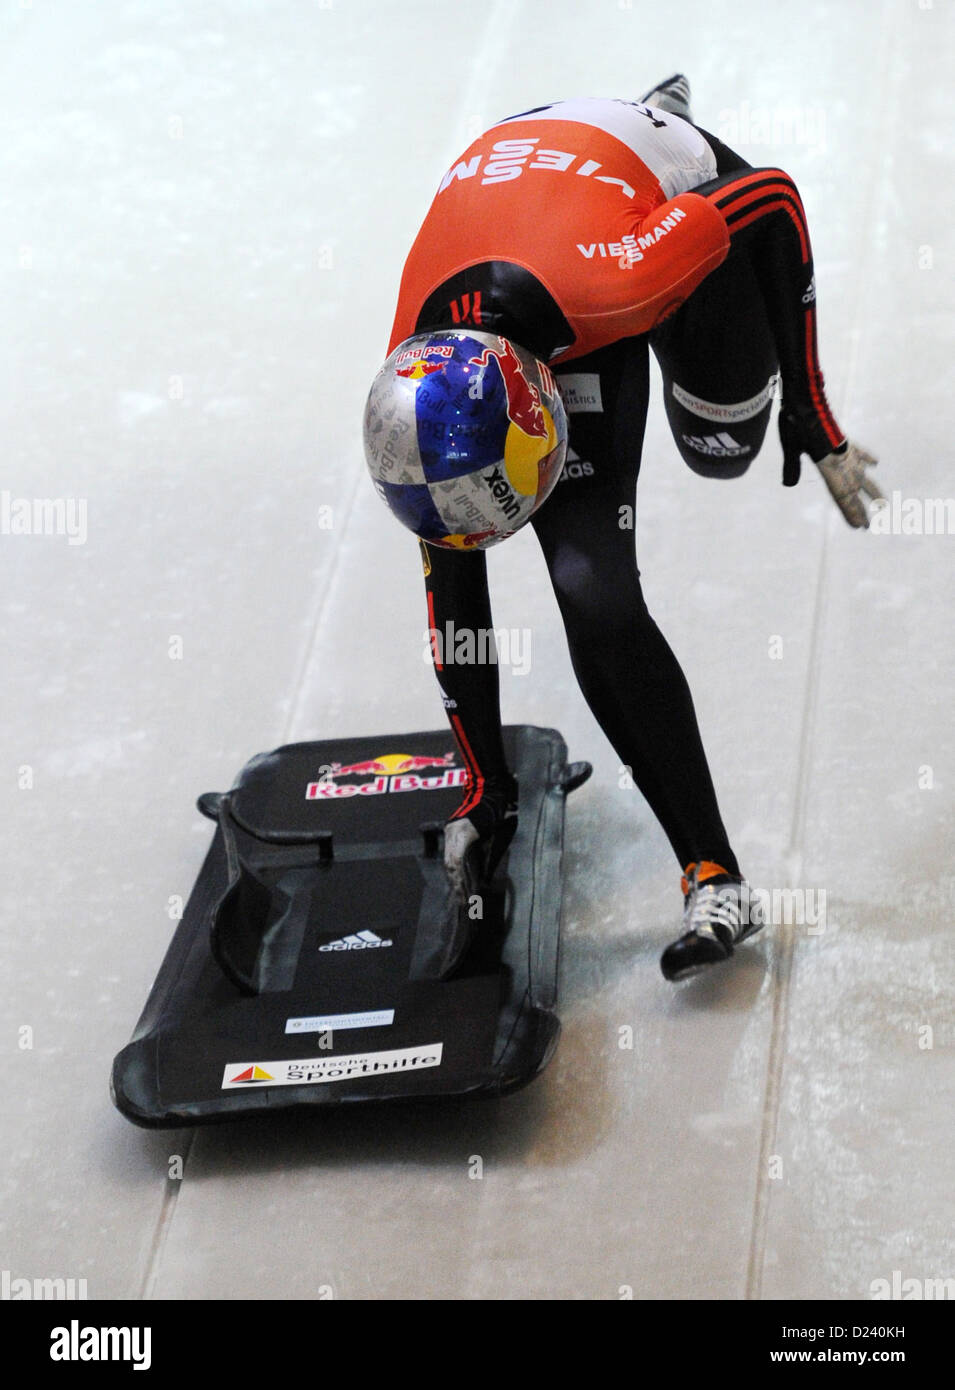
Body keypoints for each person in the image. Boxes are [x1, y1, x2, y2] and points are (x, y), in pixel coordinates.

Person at [370, 77, 882, 980]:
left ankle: (663, 118)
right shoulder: (421, 400)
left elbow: (773, 196)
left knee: (719, 445)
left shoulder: (617, 280)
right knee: (594, 600)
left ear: (538, 418)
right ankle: (715, 872)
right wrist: (481, 792)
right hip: (544, 216)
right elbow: (456, 606)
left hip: (632, 223)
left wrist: (809, 404)